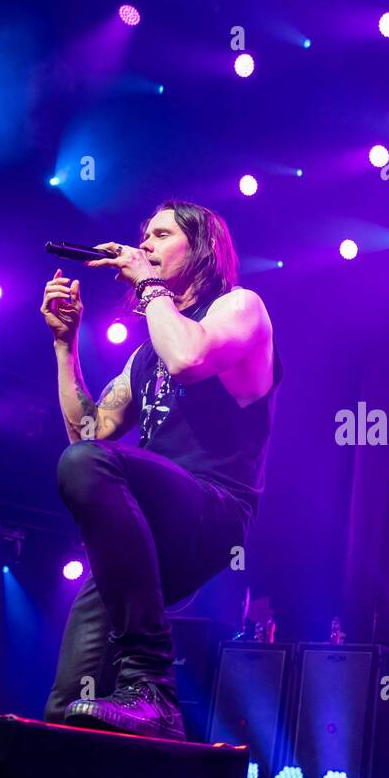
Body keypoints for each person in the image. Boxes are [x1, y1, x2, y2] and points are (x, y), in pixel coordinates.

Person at [39, 199, 280, 740]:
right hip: (143, 524)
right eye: (143, 235)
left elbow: (190, 360)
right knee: (67, 710)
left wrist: (150, 287)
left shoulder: (241, 307)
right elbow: (88, 436)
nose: (144, 244)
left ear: (202, 249)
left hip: (212, 506)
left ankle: (151, 683)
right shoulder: (146, 353)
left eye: (161, 235)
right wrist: (65, 344)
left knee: (87, 464)